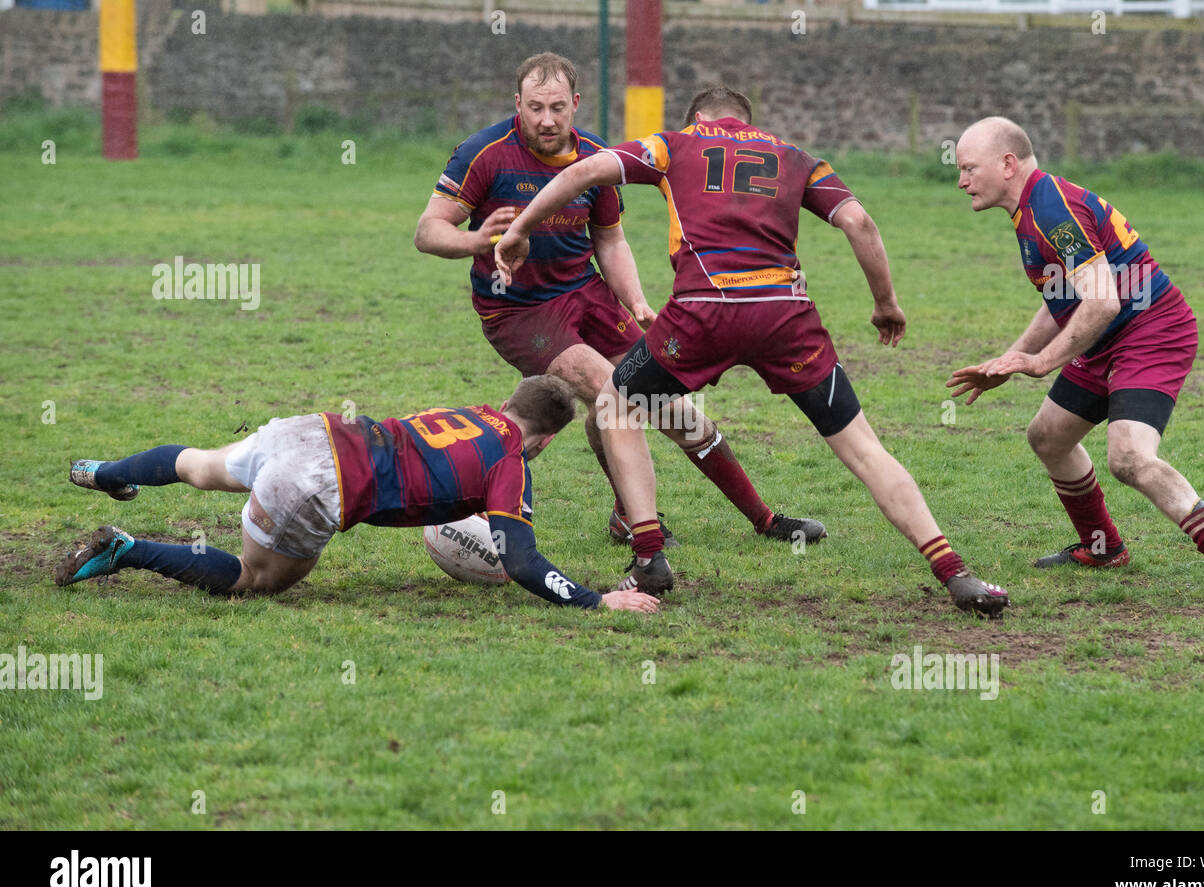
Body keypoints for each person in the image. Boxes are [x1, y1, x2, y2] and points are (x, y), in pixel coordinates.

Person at [495, 86, 1008, 616]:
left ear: (698, 118)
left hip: (702, 311)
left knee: (618, 404)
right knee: (862, 448)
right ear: (748, 121)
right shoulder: (795, 157)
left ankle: (649, 554)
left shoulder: (676, 144)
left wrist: (518, 230)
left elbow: (579, 172)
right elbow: (858, 222)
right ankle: (955, 573)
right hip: (783, 315)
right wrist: (885, 303)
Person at [414, 53, 822, 553]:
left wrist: (636, 302)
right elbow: (428, 231)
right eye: (536, 107)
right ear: (517, 103)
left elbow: (609, 240)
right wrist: (484, 242)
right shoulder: (485, 153)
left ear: (576, 104)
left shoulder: (595, 156)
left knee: (673, 408)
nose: (547, 119)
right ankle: (462, 489)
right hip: (519, 311)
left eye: (558, 107)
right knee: (615, 393)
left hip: (589, 297)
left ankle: (761, 519)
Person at [946, 116, 1204, 605]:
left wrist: (1040, 363)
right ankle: (1103, 547)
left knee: (1130, 457)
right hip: (1108, 336)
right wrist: (1015, 356)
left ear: (1007, 164)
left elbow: (1102, 302)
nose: (962, 179)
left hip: (1152, 330)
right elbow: (1066, 297)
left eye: (969, 168)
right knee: (1048, 436)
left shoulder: (1051, 210)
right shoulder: (1033, 205)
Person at [55, 375, 659, 613]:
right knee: (256, 580)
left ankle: (105, 470)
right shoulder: (511, 463)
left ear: (506, 406)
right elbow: (521, 559)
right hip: (319, 485)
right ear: (546, 441)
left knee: (198, 466)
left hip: (314, 430)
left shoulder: (474, 413)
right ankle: (124, 550)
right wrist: (595, 600)